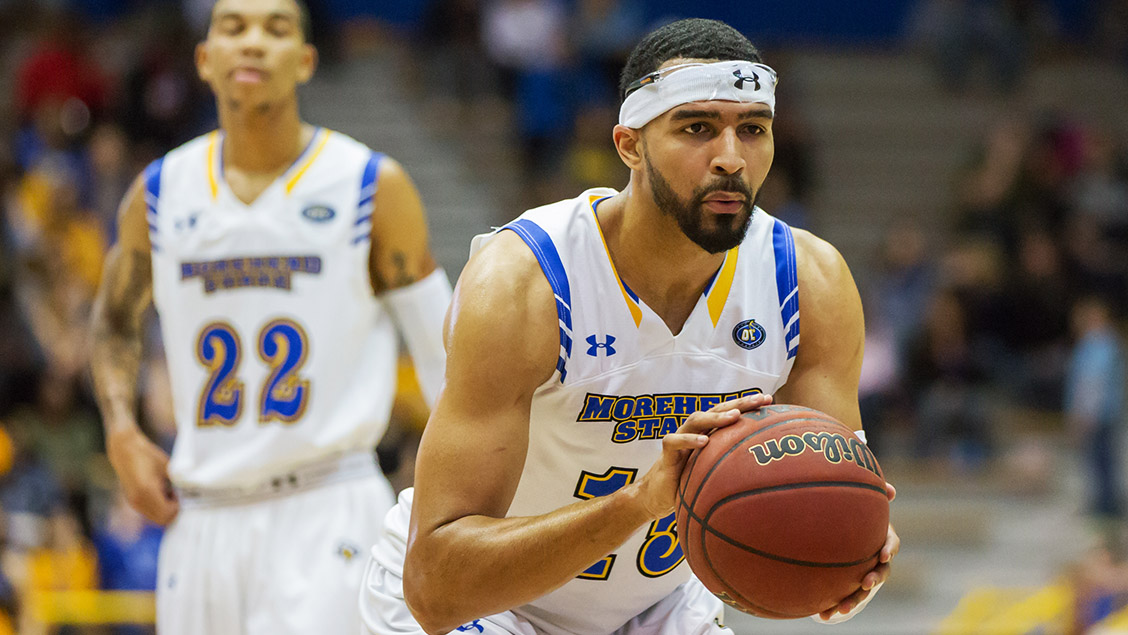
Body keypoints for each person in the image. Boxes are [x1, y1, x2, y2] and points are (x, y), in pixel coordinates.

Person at [360, 17, 898, 635]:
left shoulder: (810, 282)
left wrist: (850, 545)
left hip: (655, 608)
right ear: (629, 144)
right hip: (487, 607)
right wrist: (642, 502)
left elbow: (834, 483)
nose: (730, 157)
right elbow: (437, 585)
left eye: (753, 130)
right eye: (697, 128)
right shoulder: (523, 283)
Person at [88, 1, 451, 633]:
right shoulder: (158, 192)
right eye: (233, 28)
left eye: (276, 29)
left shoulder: (370, 185)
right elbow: (115, 318)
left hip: (328, 503)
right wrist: (120, 430)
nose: (253, 43)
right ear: (204, 60)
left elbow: (446, 353)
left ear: (306, 61)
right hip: (199, 515)